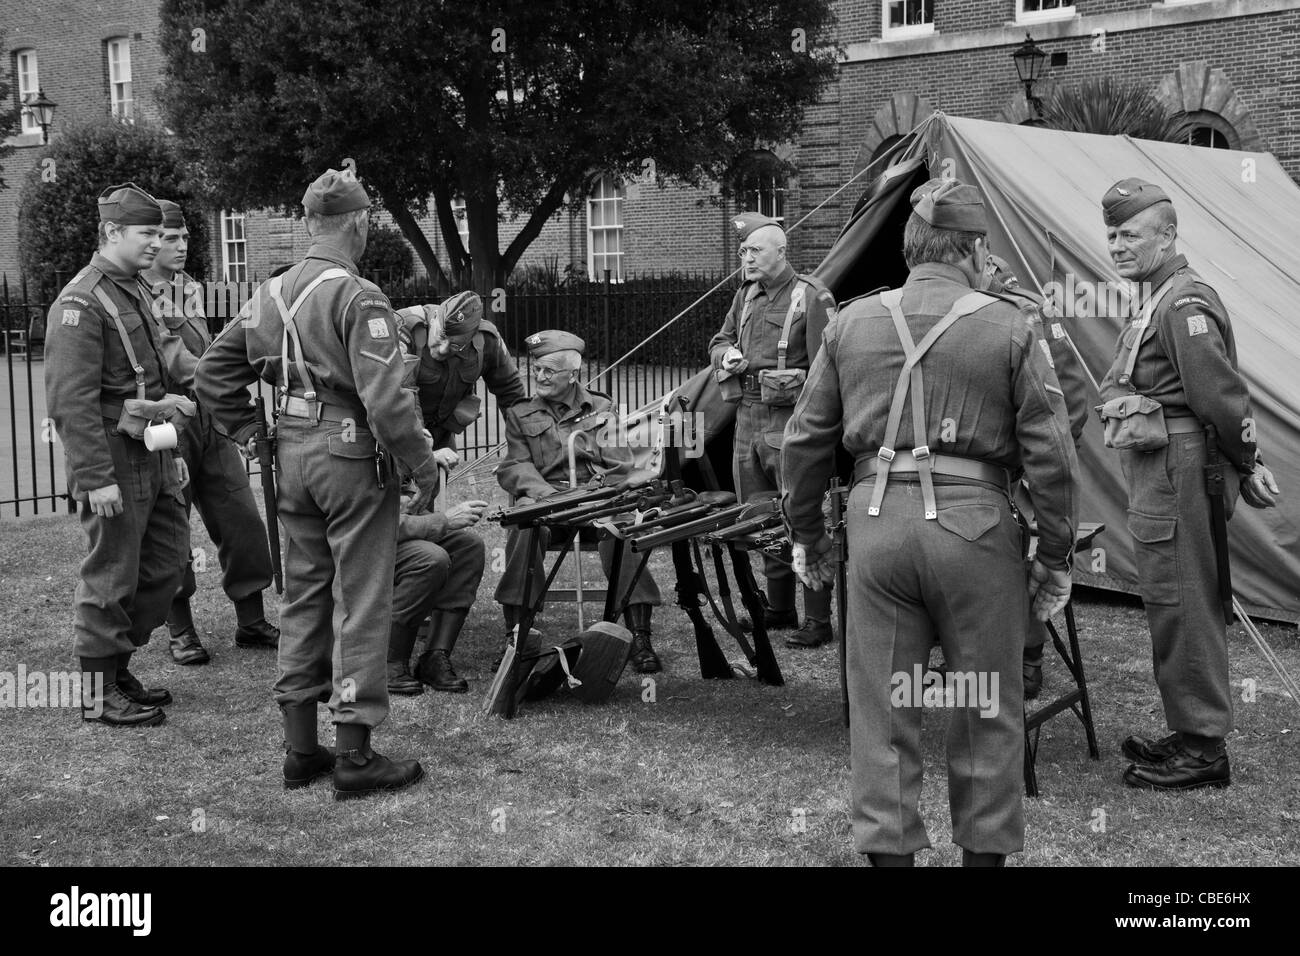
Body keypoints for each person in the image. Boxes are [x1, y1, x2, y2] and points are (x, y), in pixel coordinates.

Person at [782, 179, 1078, 867]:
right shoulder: (1010, 326)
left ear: (910, 247)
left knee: (884, 713)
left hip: (877, 529)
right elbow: (1053, 454)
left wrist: (808, 536)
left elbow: (803, 442)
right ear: (974, 249)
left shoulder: (851, 322)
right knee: (983, 708)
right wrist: (1057, 552)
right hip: (975, 532)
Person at [196, 169, 442, 799]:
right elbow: (387, 404)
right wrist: (422, 464)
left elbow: (213, 373)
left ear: (308, 222)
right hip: (349, 457)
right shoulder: (360, 297)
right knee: (361, 602)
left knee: (303, 598)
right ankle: (356, 757)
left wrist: (251, 432)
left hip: (291, 453)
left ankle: (301, 752)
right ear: (359, 223)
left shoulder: (269, 292)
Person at [1095, 178, 1280, 791]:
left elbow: (1221, 398)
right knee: (1171, 601)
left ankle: (1203, 750)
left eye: (1131, 234)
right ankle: (1191, 729)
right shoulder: (1155, 295)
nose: (1117, 244)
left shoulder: (1181, 305)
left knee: (1183, 604)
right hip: (1161, 466)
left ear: (1168, 235)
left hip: (1179, 468)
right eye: (1113, 234)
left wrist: (1248, 461)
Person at [44, 182, 191, 727]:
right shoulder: (81, 302)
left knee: (167, 565)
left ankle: (116, 665)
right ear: (111, 233)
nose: (156, 243)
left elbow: (144, 379)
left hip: (150, 449)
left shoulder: (132, 291)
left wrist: (167, 441)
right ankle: (99, 691)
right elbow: (70, 401)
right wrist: (93, 477)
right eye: (146, 233)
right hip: (110, 456)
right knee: (112, 571)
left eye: (159, 232)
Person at [142, 198, 279, 666]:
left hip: (210, 417)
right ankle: (180, 630)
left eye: (184, 237)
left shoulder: (188, 287)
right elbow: (174, 358)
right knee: (171, 526)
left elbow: (210, 344)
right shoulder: (137, 293)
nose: (181, 246)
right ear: (151, 239)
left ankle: (252, 620)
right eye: (171, 238)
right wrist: (222, 375)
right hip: (171, 420)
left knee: (240, 516)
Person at [495, 330, 664, 672]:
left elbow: (621, 466)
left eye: (549, 371)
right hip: (549, 502)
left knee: (622, 529)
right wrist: (547, 496)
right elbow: (514, 465)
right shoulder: (520, 413)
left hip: (595, 501)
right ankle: (517, 634)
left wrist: (591, 496)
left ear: (573, 375)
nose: (539, 377)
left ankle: (640, 636)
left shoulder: (602, 408)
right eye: (536, 369)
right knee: (525, 528)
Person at [709, 212, 838, 648]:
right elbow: (719, 339)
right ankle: (780, 608)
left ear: (782, 252)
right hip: (746, 420)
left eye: (755, 250)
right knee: (760, 517)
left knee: (804, 516)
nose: (746, 258)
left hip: (791, 424)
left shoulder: (812, 296)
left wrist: (819, 430)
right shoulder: (745, 295)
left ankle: (818, 618)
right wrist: (725, 355)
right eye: (743, 251)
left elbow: (829, 367)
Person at [980, 254, 1090, 700]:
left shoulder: (1024, 310)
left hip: (1020, 467)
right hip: (986, 468)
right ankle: (976, 652)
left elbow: (1070, 397)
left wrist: (1037, 466)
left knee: (1023, 562)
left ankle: (1028, 659)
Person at [395, 290, 526, 454]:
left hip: (440, 434)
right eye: (441, 336)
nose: (443, 349)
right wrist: (421, 447)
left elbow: (511, 392)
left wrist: (524, 448)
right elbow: (400, 393)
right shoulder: (404, 327)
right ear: (435, 318)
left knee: (439, 477)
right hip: (398, 431)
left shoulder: (487, 340)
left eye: (455, 346)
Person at [387, 486, 489, 696]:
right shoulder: (359, 456)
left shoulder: (394, 455)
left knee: (468, 547)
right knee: (431, 559)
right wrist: (442, 520)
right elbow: (373, 522)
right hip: (365, 541)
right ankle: (389, 661)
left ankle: (434, 657)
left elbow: (408, 505)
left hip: (398, 531)